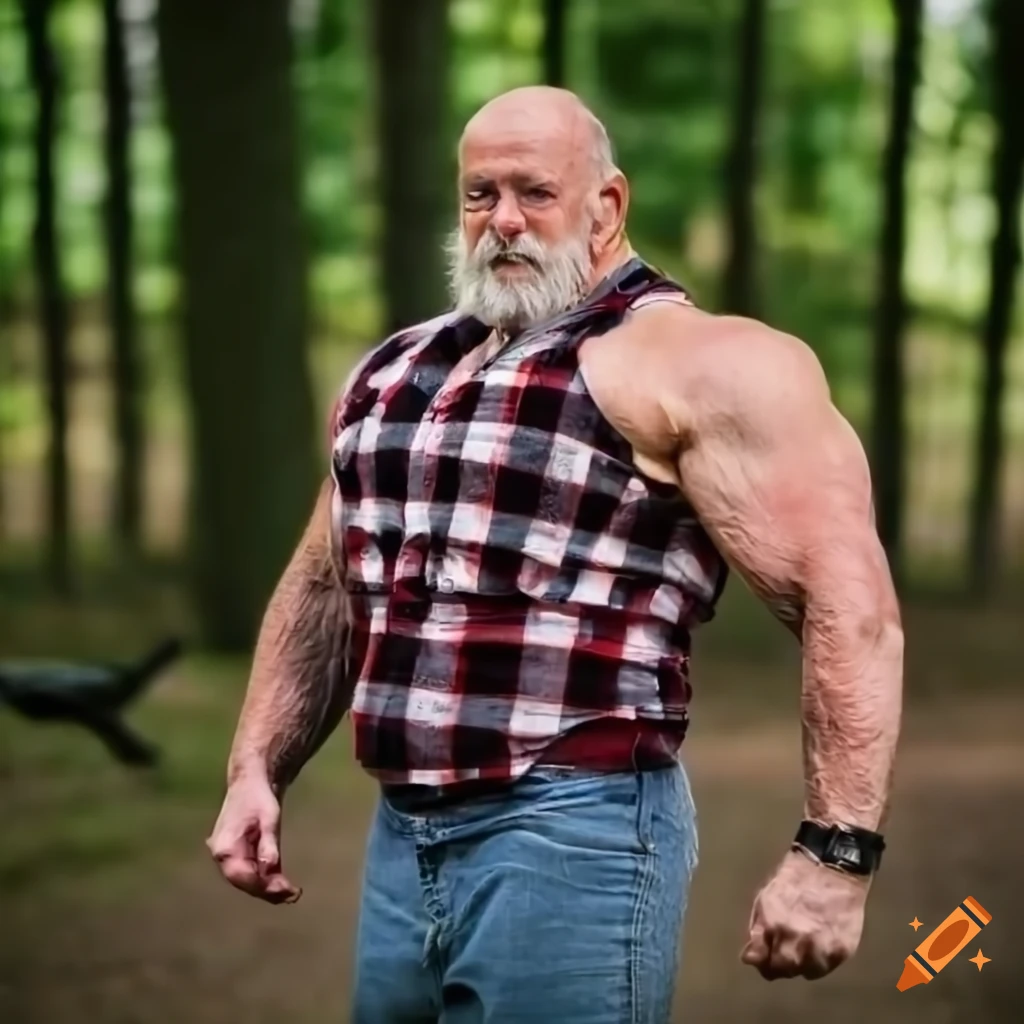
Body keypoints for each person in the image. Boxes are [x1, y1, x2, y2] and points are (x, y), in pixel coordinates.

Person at [207, 86, 904, 1022]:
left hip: (577, 829)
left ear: (606, 205)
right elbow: (325, 584)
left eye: (534, 192)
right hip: (402, 838)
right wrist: (257, 766)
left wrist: (836, 852)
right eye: (478, 194)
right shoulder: (397, 370)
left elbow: (848, 605)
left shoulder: (699, 363)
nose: (502, 221)